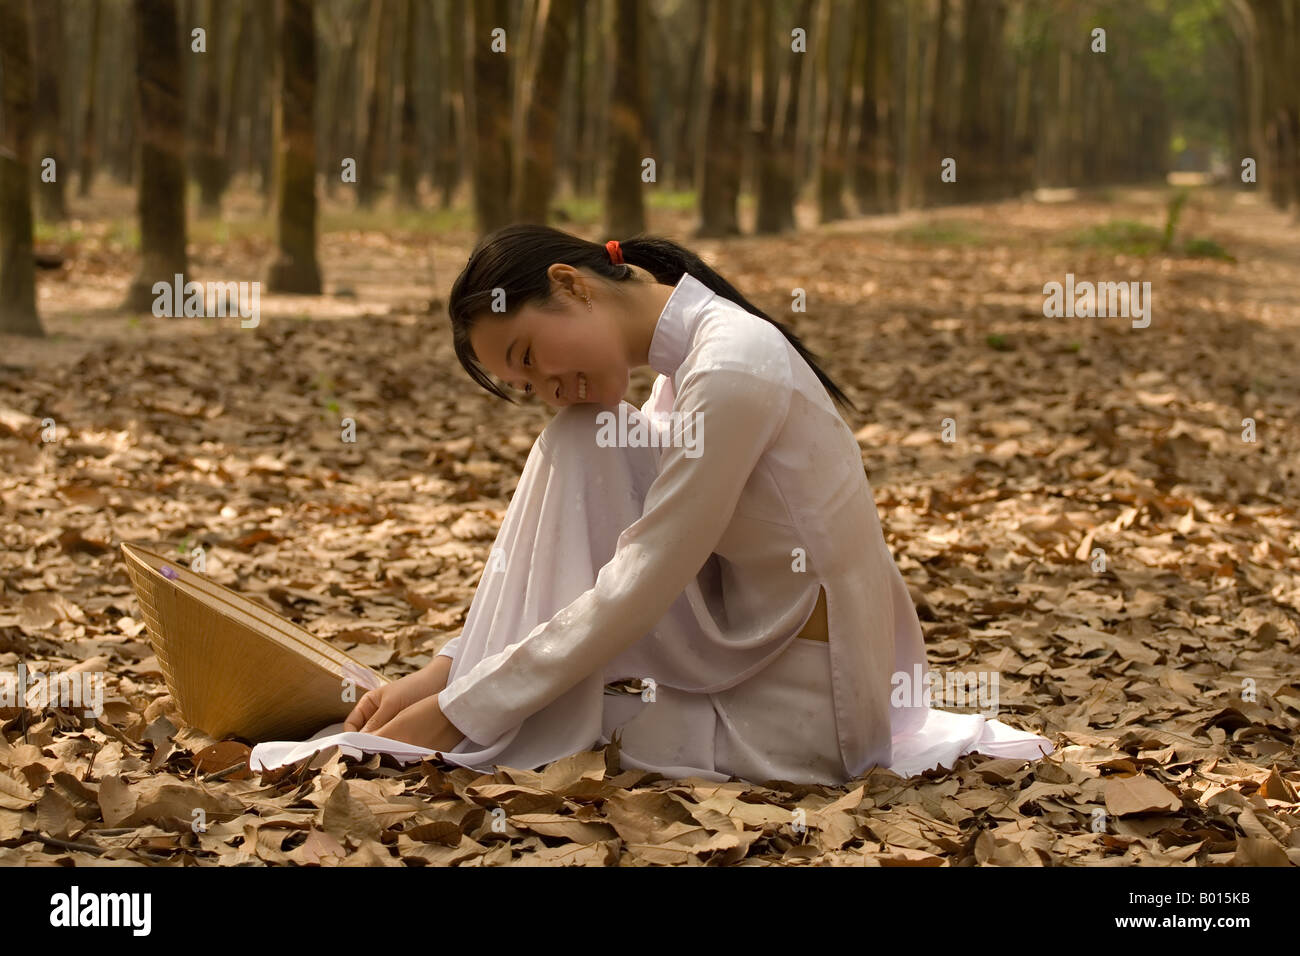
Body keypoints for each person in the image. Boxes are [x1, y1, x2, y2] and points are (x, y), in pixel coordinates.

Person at [342, 224, 1053, 785]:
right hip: (744, 657)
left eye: (530, 357)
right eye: (527, 387)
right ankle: (469, 683)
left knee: (516, 725)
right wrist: (442, 674)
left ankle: (474, 697)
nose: (550, 389)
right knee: (583, 438)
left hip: (803, 716)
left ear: (572, 285)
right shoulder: (686, 367)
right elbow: (617, 551)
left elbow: (643, 577)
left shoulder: (729, 368)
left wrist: (458, 709)